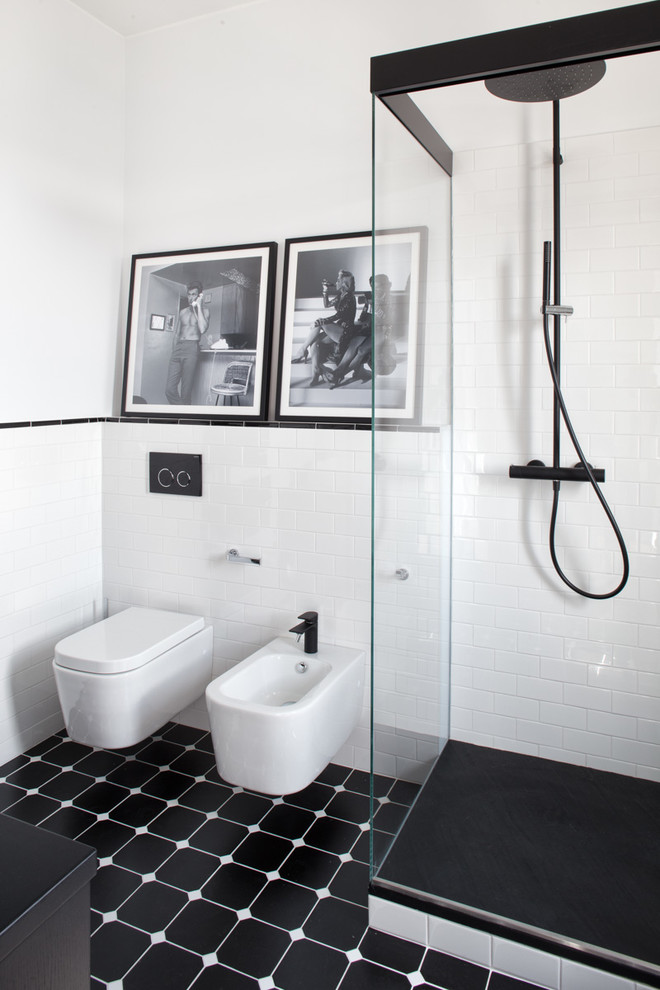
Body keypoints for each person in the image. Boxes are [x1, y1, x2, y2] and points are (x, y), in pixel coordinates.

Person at [325, 273, 395, 388]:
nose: (375, 290)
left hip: (382, 332)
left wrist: (376, 308)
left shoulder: (391, 301)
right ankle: (338, 371)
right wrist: (364, 313)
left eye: (378, 287)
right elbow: (363, 317)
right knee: (353, 342)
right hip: (368, 330)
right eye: (373, 287)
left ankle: (339, 374)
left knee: (362, 350)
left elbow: (389, 321)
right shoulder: (371, 298)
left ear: (386, 286)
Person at [291, 270, 357, 386]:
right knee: (315, 341)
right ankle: (315, 370)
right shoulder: (341, 295)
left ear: (343, 283)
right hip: (338, 330)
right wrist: (325, 290)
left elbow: (339, 315)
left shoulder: (350, 298)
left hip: (345, 332)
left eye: (338, 280)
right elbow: (326, 305)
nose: (335, 282)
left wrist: (321, 321)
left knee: (319, 322)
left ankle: (302, 350)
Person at [165, 282, 210, 405]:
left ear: (199, 296)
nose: (191, 298)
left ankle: (183, 418)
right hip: (178, 348)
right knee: (169, 389)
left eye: (194, 294)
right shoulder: (182, 312)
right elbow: (176, 334)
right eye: (189, 295)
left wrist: (199, 307)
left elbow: (202, 329)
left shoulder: (205, 311)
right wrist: (174, 351)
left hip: (191, 348)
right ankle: (182, 410)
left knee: (186, 391)